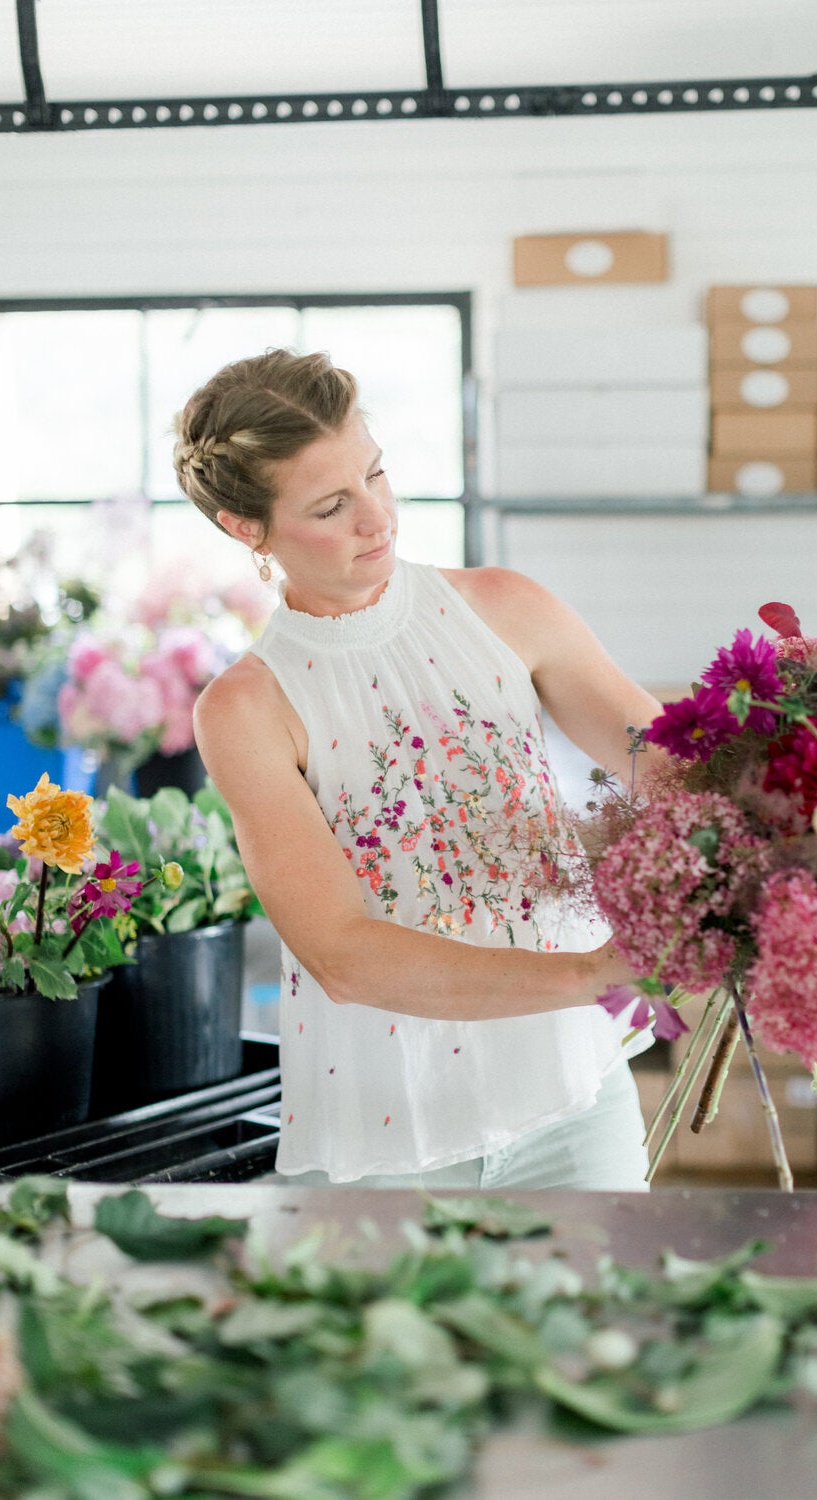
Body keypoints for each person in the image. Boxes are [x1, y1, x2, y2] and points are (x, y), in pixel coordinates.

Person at [174, 348, 665, 1191]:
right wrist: (592, 973)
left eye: (377, 475)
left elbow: (668, 760)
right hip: (392, 1122)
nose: (377, 520)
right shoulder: (246, 709)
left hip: (572, 1094)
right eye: (332, 505)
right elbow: (343, 954)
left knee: (609, 1323)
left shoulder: (504, 606)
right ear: (245, 527)